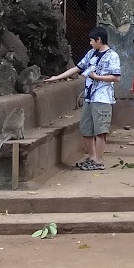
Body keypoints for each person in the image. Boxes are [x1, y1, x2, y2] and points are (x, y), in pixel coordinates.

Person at [44, 26, 120, 171]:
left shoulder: (112, 56)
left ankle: (99, 160)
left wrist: (97, 77)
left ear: (99, 40)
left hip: (102, 98)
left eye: (92, 40)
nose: (90, 43)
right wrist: (57, 77)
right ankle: (92, 157)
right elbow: (78, 67)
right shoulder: (91, 53)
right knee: (86, 129)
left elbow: (116, 77)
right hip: (89, 97)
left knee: (100, 130)